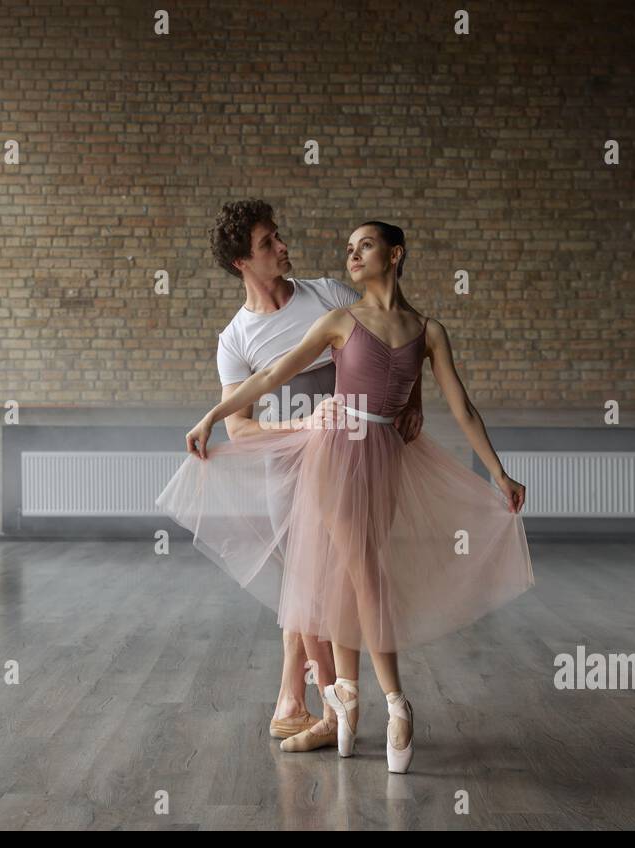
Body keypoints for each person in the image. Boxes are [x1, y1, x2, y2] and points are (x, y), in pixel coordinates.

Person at [157, 220, 534, 773]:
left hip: (385, 452)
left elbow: (464, 407)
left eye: (365, 246)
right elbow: (272, 376)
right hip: (334, 449)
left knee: (352, 575)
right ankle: (397, 703)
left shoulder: (429, 330)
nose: (352, 255)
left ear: (396, 253)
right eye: (349, 249)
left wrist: (498, 472)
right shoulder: (339, 319)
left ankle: (346, 707)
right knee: (360, 570)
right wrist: (212, 415)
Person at [205, 200, 424, 752]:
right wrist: (305, 425)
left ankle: (302, 702)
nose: (282, 247)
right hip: (290, 469)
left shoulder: (325, 293)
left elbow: (392, 337)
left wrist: (413, 397)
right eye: (266, 244)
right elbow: (241, 431)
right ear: (242, 263)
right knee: (310, 589)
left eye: (278, 237)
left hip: (356, 456)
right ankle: (328, 706)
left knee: (346, 581)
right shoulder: (236, 340)